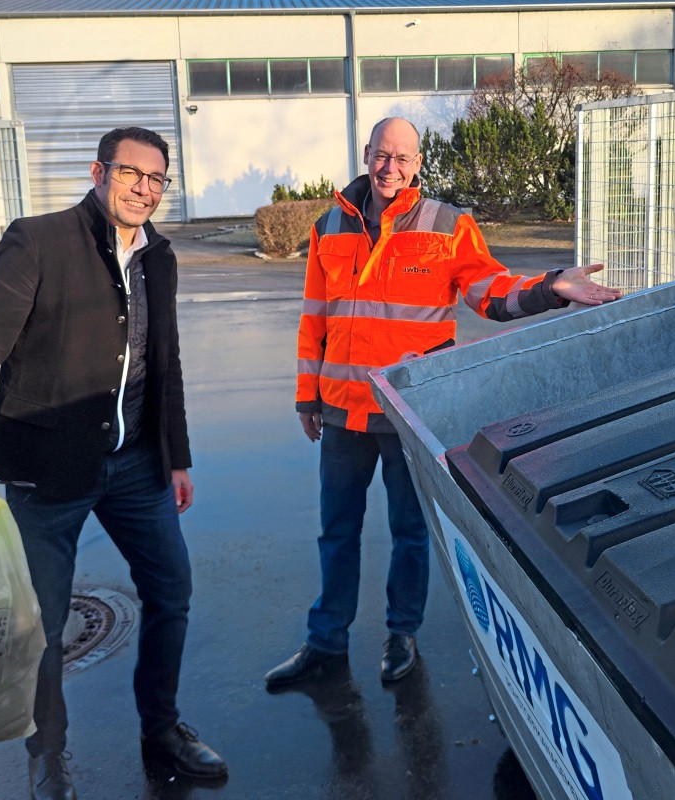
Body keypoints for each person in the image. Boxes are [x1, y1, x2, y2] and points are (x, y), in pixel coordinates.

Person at [264, 116, 622, 689]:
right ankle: (326, 641)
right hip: (341, 410)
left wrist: (551, 286)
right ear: (367, 153)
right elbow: (315, 319)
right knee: (336, 531)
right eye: (382, 155)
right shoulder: (330, 224)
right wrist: (307, 396)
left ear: (418, 165)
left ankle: (401, 634)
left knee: (410, 531)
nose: (390, 168)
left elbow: (492, 292)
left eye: (403, 158)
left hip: (407, 413)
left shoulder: (446, 224)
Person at [0, 126, 226, 800]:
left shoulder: (159, 258)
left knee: (172, 591)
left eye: (156, 179)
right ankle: (47, 754)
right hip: (46, 471)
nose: (143, 189)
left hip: (137, 466)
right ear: (100, 173)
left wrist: (177, 457)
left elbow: (164, 364)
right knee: (42, 625)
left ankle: (162, 729)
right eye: (130, 173)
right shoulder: (38, 242)